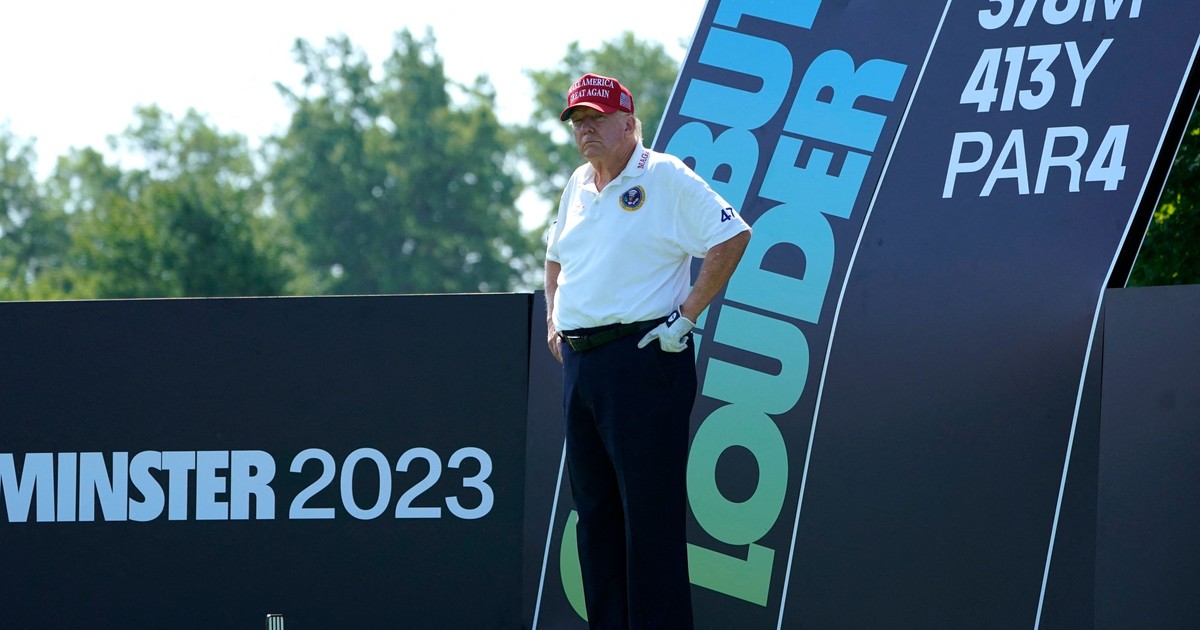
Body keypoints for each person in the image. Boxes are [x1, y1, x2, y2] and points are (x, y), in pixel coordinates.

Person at [544, 72, 751, 629]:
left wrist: (686, 316)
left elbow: (732, 235)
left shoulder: (662, 176)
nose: (586, 130)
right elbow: (555, 259)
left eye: (597, 118)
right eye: (578, 121)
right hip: (583, 365)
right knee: (596, 518)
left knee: (649, 521)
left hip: (644, 357)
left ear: (629, 123)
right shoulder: (576, 185)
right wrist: (553, 319)